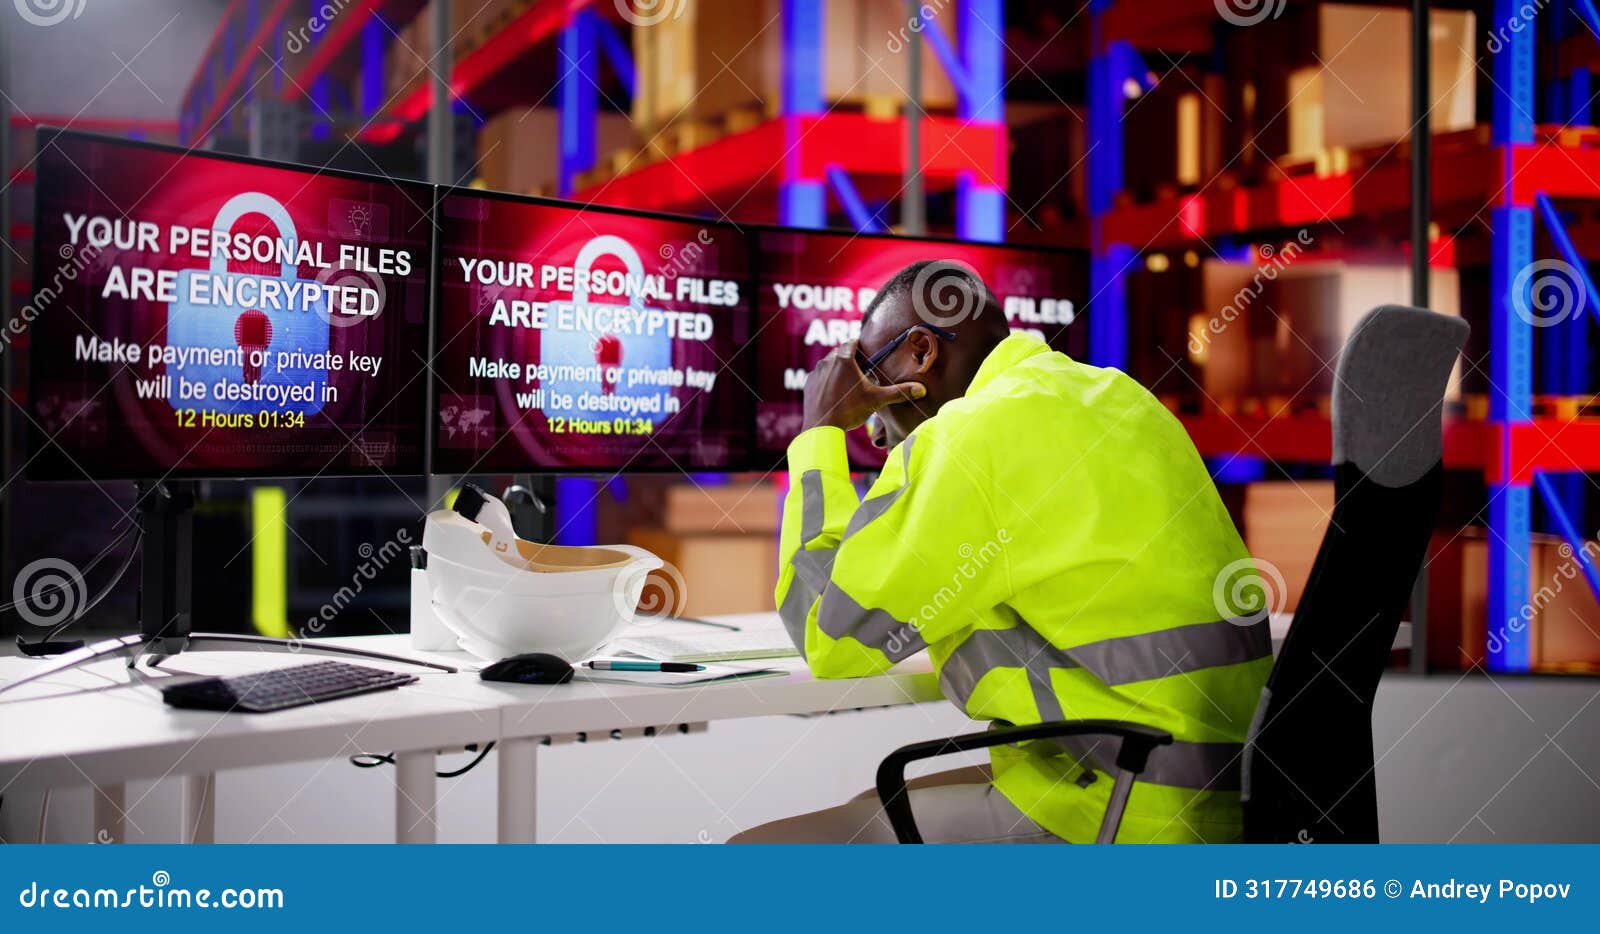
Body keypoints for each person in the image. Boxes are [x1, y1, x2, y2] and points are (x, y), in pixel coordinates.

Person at [730, 261, 1272, 844]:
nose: (874, 429)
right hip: (1230, 793)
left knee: (750, 854)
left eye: (868, 378)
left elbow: (830, 640)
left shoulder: (971, 437)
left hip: (1123, 811)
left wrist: (819, 433)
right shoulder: (1121, 396)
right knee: (872, 804)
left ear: (919, 352)